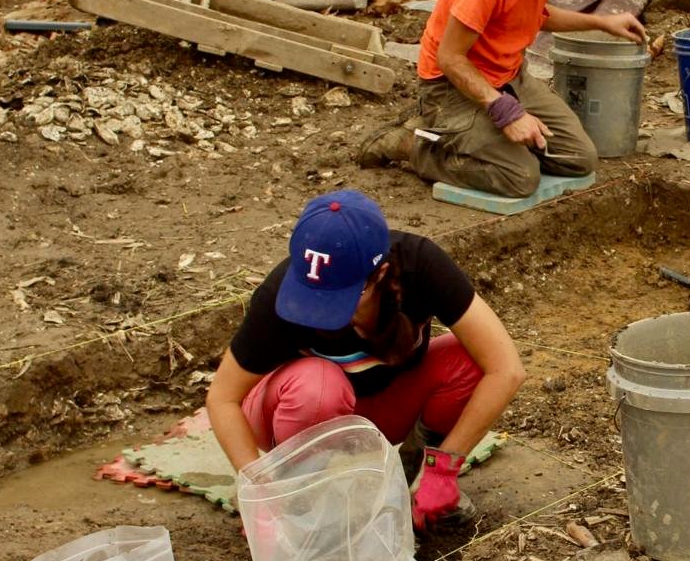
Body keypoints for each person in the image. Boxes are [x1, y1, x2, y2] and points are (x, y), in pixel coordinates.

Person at [206, 189, 526, 528]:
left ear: (379, 274)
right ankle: (298, 495)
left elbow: (506, 370)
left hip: (374, 408)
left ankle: (416, 475)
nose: (320, 308)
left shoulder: (420, 265)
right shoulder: (278, 295)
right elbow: (222, 398)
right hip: (292, 411)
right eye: (311, 293)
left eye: (342, 295)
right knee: (318, 386)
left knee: (468, 361)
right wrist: (258, 491)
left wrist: (444, 468)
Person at [358, 0, 647, 197]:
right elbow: (449, 58)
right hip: (451, 85)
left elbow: (532, 12)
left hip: (508, 75)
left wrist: (603, 23)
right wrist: (507, 113)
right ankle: (414, 143)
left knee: (579, 159)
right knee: (519, 177)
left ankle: (482, 141)